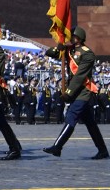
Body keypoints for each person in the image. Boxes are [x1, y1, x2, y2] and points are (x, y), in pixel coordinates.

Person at [42, 28, 109, 159]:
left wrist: (68, 92)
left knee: (71, 116)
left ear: (79, 37)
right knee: (90, 123)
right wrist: (59, 46)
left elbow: (79, 76)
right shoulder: (69, 50)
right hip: (75, 91)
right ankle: (103, 150)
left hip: (83, 92)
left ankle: (57, 147)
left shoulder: (88, 54)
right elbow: (49, 53)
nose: (70, 38)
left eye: (72, 36)